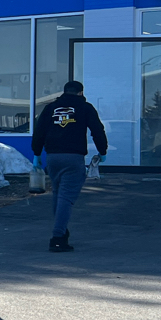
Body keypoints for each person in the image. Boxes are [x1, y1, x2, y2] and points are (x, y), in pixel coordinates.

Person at [30, 80, 108, 252]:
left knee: (58, 194)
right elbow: (97, 130)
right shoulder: (85, 108)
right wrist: (102, 152)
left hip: (53, 158)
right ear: (81, 93)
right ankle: (58, 237)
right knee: (66, 197)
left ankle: (62, 232)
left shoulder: (50, 108)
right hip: (73, 158)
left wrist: (37, 154)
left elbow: (39, 131)